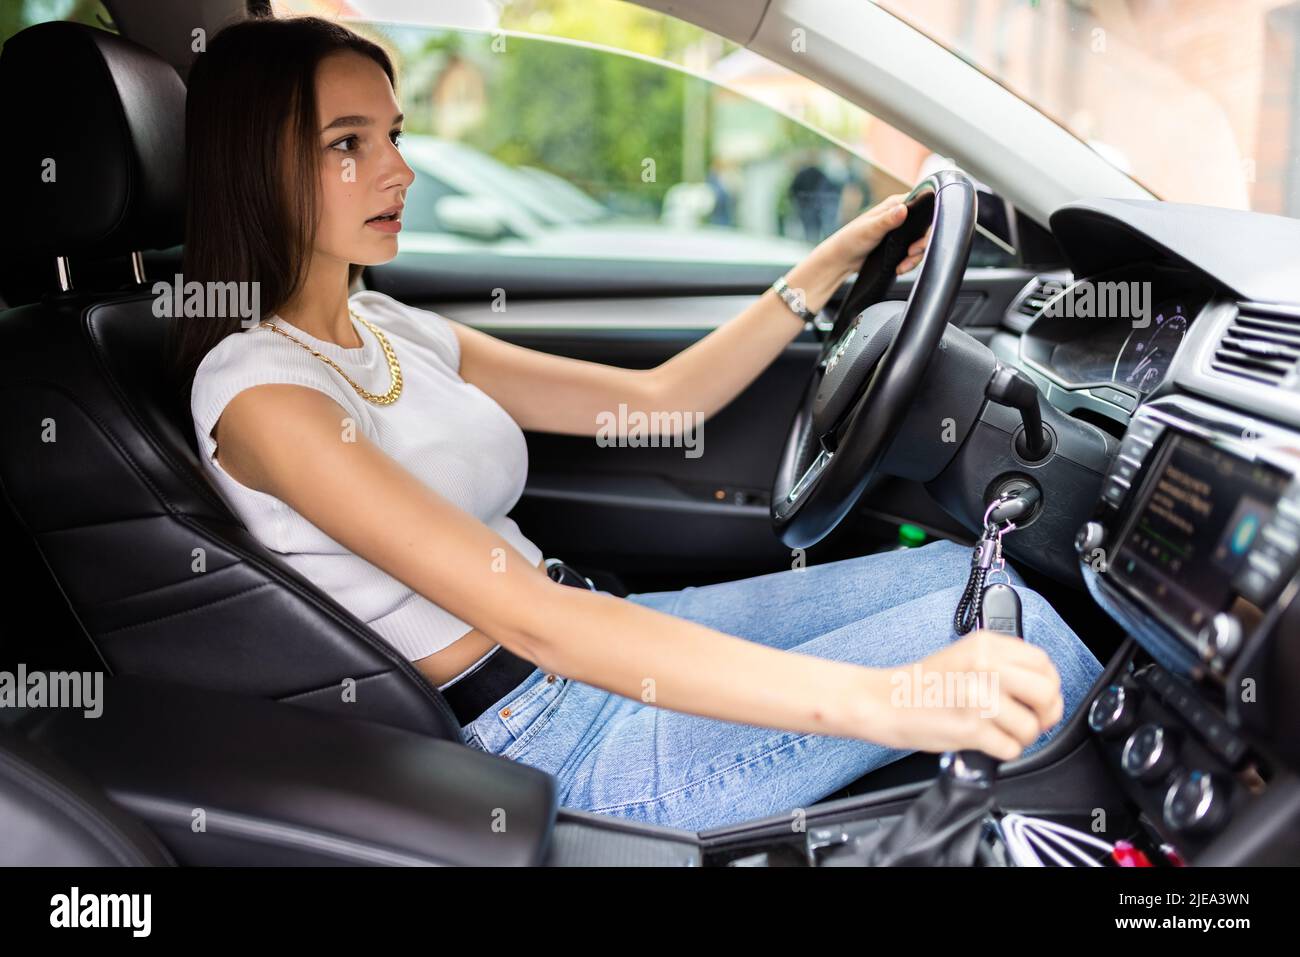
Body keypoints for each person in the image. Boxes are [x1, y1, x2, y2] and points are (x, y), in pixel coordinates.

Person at [170, 14, 1103, 832]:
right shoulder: (260, 393)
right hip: (543, 741)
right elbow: (532, 621)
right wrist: (886, 702)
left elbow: (658, 407)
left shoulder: (388, 326)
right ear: (260, 163)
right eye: (349, 143)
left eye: (394, 134)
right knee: (1029, 650)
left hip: (601, 632)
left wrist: (818, 272)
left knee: (964, 577)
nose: (401, 170)